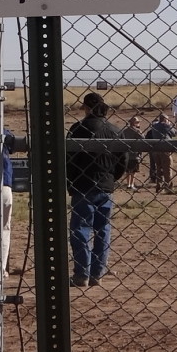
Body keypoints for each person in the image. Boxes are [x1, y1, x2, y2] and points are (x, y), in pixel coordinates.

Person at [67, 93, 126, 288]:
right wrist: (110, 178)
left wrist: (71, 181)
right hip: (106, 185)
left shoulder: (78, 129)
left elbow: (69, 160)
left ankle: (82, 273)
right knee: (103, 229)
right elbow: (122, 162)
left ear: (87, 108)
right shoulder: (115, 130)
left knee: (81, 229)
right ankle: (96, 274)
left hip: (83, 185)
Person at [145, 113, 177, 193]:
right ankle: (168, 185)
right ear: (165, 119)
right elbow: (176, 133)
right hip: (165, 150)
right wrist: (170, 125)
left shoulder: (154, 126)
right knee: (168, 168)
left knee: (159, 168)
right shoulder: (165, 125)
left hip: (156, 150)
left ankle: (159, 183)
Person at [1, 129, 15, 277]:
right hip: (4, 183)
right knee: (4, 228)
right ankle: (0, 268)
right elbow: (12, 146)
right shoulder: (4, 131)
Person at [119, 116, 144, 190]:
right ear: (135, 123)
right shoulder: (137, 131)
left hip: (126, 153)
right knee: (134, 171)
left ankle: (128, 184)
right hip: (134, 153)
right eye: (138, 122)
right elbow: (143, 138)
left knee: (127, 170)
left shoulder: (124, 131)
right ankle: (132, 184)